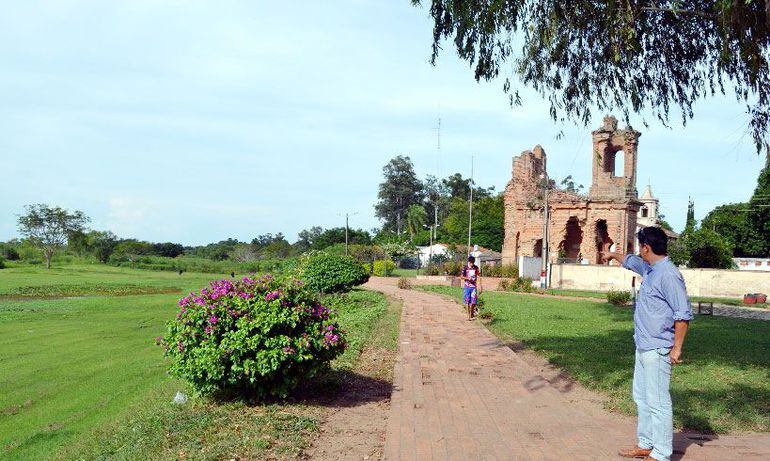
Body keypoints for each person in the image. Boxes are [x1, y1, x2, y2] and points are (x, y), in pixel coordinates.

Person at [602, 226, 692, 461]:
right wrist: (612, 256)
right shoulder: (650, 268)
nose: (637, 251)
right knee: (641, 397)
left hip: (659, 348)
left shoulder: (668, 274)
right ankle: (646, 444)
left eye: (639, 246)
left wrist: (677, 348)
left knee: (658, 401)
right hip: (643, 345)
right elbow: (630, 261)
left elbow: (682, 314)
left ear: (646, 247)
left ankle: (661, 453)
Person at [461, 256, 482, 320]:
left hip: (473, 287)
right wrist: (467, 278)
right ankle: (468, 316)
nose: (472, 264)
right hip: (467, 287)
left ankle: (472, 313)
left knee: (473, 302)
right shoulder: (465, 268)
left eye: (473, 263)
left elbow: (478, 276)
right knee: (467, 302)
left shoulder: (476, 268)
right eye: (471, 263)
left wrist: (480, 285)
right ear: (469, 262)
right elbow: (461, 276)